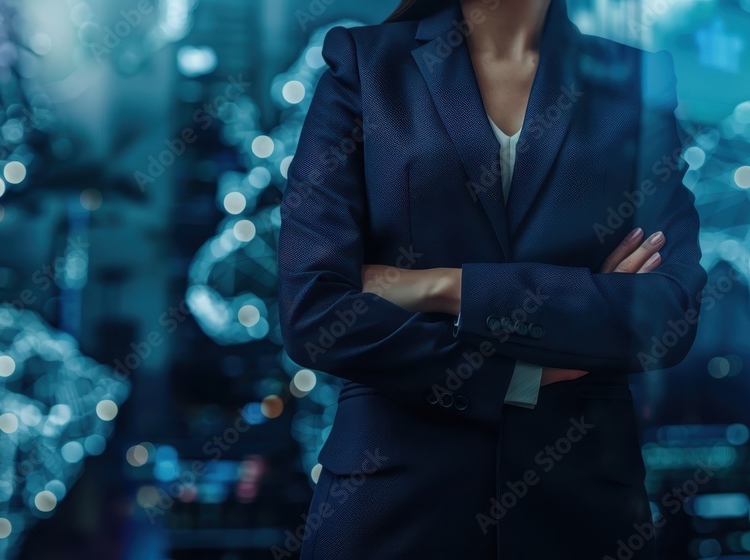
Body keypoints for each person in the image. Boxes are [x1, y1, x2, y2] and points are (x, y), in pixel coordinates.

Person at [276, 0, 708, 557]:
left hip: (584, 515)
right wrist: (532, 368)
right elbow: (314, 311)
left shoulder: (633, 82)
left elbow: (665, 313)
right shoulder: (366, 65)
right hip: (392, 513)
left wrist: (441, 285)